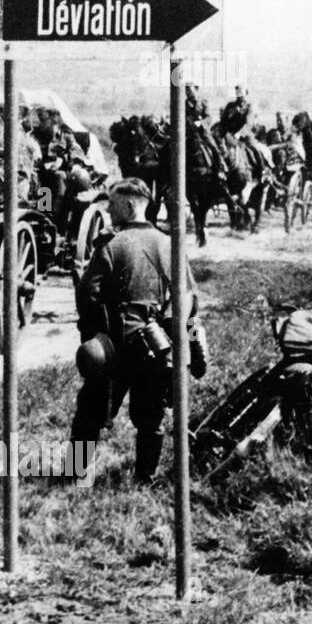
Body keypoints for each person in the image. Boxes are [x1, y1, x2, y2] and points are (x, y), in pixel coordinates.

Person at [69, 178, 204, 485]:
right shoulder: (170, 244)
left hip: (116, 346)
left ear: (129, 206)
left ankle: (73, 474)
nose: (109, 209)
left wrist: (94, 335)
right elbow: (189, 299)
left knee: (91, 410)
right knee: (151, 417)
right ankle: (146, 477)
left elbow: (88, 296)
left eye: (113, 203)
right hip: (157, 346)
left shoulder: (111, 244)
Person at [32, 108, 86, 234]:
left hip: (60, 172)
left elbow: (77, 151)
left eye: (44, 121)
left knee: (58, 177)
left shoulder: (66, 136)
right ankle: (41, 214)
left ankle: (53, 216)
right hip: (41, 170)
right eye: (40, 120)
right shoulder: (36, 135)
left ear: (52, 121)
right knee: (38, 179)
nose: (40, 124)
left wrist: (68, 161)